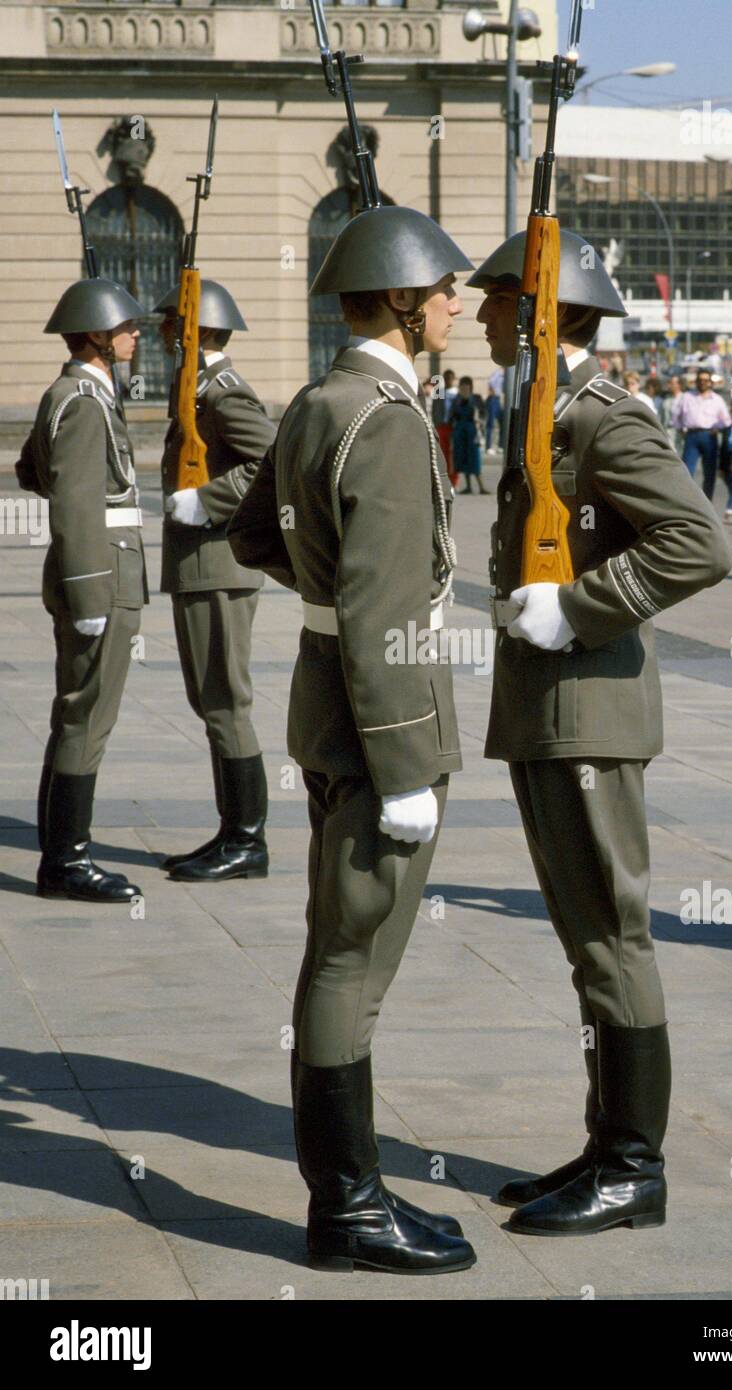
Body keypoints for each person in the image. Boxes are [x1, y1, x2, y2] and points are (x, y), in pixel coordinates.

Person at [229, 203, 476, 1275]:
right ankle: (349, 1210)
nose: (458, 306)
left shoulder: (317, 401)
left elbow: (250, 534)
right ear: (400, 302)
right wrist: (404, 762)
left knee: (338, 945)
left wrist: (324, 598)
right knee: (351, 962)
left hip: (326, 698)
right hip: (381, 719)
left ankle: (353, 1196)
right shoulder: (383, 417)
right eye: (443, 292)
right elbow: (380, 606)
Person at [470, 229, 732, 1237]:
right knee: (585, 942)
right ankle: (603, 1142)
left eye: (498, 298)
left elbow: (698, 543)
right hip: (549, 711)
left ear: (547, 309)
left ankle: (633, 1167)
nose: (485, 314)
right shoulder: (542, 409)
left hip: (589, 712)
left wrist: (578, 607)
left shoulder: (601, 417)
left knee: (611, 940)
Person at [15, 278, 148, 902]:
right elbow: (72, 503)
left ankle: (60, 851)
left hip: (100, 568)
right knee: (86, 718)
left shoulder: (73, 395)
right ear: (96, 336)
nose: (136, 335)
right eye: (125, 328)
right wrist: (91, 596)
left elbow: (28, 467)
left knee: (76, 713)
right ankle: (66, 863)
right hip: (102, 575)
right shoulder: (85, 401)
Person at [152, 280, 277, 883]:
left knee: (226, 702)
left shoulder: (225, 394)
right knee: (212, 703)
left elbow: (268, 463)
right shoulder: (196, 391)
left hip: (219, 568)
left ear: (192, 333)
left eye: (169, 326)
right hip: (201, 569)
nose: (159, 336)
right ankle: (232, 831)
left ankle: (247, 840)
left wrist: (206, 500)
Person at [671, 366, 731, 498]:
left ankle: (707, 502)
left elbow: (726, 420)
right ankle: (688, 501)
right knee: (687, 471)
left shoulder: (717, 399)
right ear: (696, 381)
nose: (703, 382)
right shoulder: (687, 397)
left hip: (709, 436)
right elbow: (676, 416)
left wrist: (718, 427)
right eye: (700, 380)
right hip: (691, 436)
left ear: (710, 382)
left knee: (709, 473)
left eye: (706, 380)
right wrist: (680, 429)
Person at [450, 375, 489, 493]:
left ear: (470, 386)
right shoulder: (457, 399)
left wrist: (480, 425)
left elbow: (483, 414)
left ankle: (481, 487)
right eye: (462, 386)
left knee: (474, 459)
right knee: (463, 458)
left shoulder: (476, 398)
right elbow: (452, 416)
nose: (464, 388)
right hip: (460, 432)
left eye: (466, 386)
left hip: (472, 432)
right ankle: (468, 486)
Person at [435, 367, 458, 487]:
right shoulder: (439, 392)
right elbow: (435, 408)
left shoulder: (457, 394)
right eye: (446, 378)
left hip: (453, 427)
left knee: (453, 453)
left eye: (450, 378)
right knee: (442, 453)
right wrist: (436, 423)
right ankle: (443, 478)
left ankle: (454, 480)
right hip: (441, 426)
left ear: (453, 379)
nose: (449, 380)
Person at [484, 381, 503, 451]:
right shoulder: (496, 375)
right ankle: (488, 446)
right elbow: (491, 385)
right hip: (492, 399)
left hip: (498, 399)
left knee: (503, 424)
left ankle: (500, 446)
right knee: (490, 424)